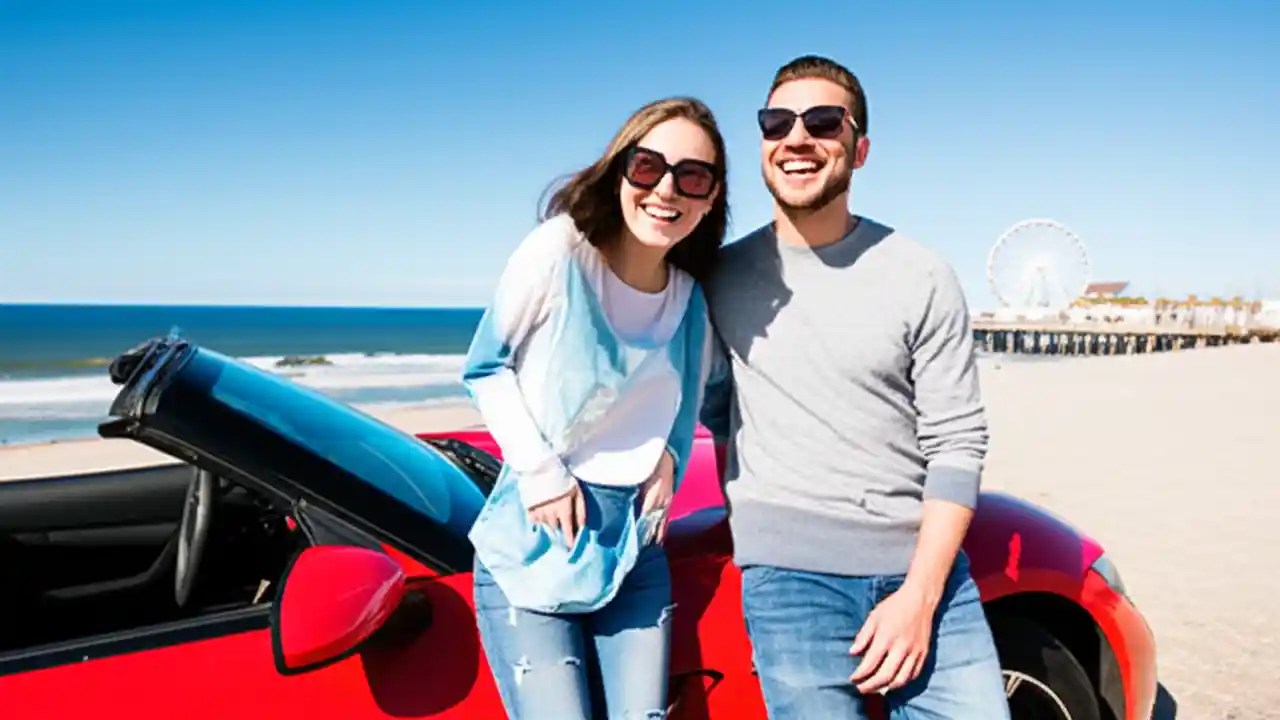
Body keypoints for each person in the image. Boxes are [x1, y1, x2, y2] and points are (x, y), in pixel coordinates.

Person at [699, 55, 1010, 718]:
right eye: (777, 122)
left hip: (925, 571)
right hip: (789, 581)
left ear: (859, 149)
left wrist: (921, 597)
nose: (797, 138)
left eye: (822, 122)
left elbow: (958, 440)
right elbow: (707, 403)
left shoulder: (921, 274)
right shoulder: (718, 279)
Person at [461, 96, 728, 719]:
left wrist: (670, 455)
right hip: (535, 543)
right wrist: (542, 474)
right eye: (647, 167)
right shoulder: (559, 251)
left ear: (710, 198)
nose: (667, 189)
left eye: (692, 176)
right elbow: (484, 366)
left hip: (636, 546)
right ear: (618, 171)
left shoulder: (688, 298)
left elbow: (690, 398)